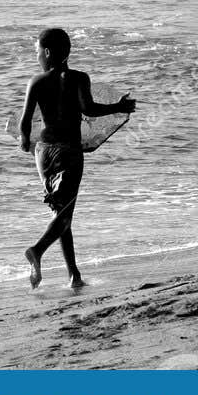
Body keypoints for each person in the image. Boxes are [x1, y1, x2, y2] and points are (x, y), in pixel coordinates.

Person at [17, 28, 136, 290]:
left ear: (47, 52)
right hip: (69, 152)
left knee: (61, 212)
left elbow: (24, 123)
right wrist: (118, 106)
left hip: (44, 153)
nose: (37, 56)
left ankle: (74, 275)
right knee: (65, 214)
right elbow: (89, 110)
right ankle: (37, 251)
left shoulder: (36, 82)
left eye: (37, 51)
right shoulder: (80, 78)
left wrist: (25, 143)